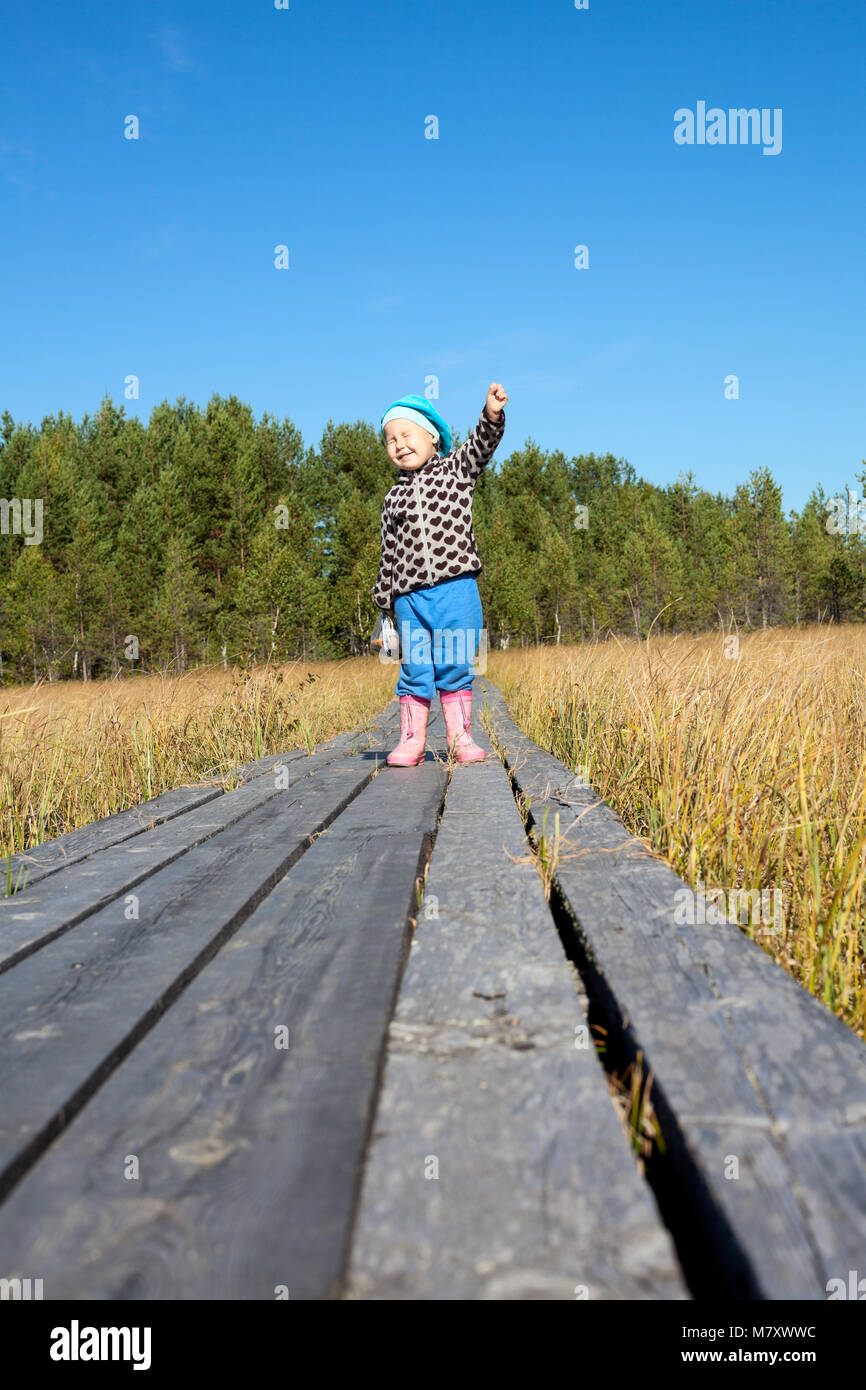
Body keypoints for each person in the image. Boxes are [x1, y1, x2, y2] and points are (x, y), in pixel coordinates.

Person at [372, 383, 508, 766]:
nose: (398, 444)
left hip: (457, 591)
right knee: (415, 671)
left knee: (456, 665)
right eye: (390, 439)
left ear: (432, 436)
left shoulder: (456, 472)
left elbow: (482, 445)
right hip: (409, 600)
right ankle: (411, 741)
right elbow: (388, 554)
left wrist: (492, 414)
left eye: (406, 434)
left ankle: (461, 738)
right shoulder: (392, 499)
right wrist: (385, 609)